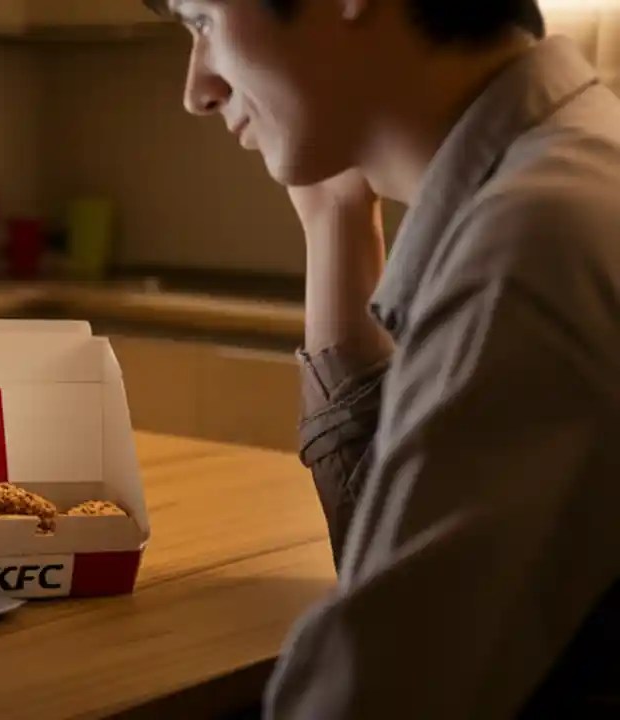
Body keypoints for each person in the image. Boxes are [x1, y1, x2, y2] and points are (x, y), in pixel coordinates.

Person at [149, 0, 620, 716]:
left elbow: (372, 695)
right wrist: (335, 214)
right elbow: (393, 560)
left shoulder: (532, 244)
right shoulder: (562, 171)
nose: (197, 90)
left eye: (202, 19)